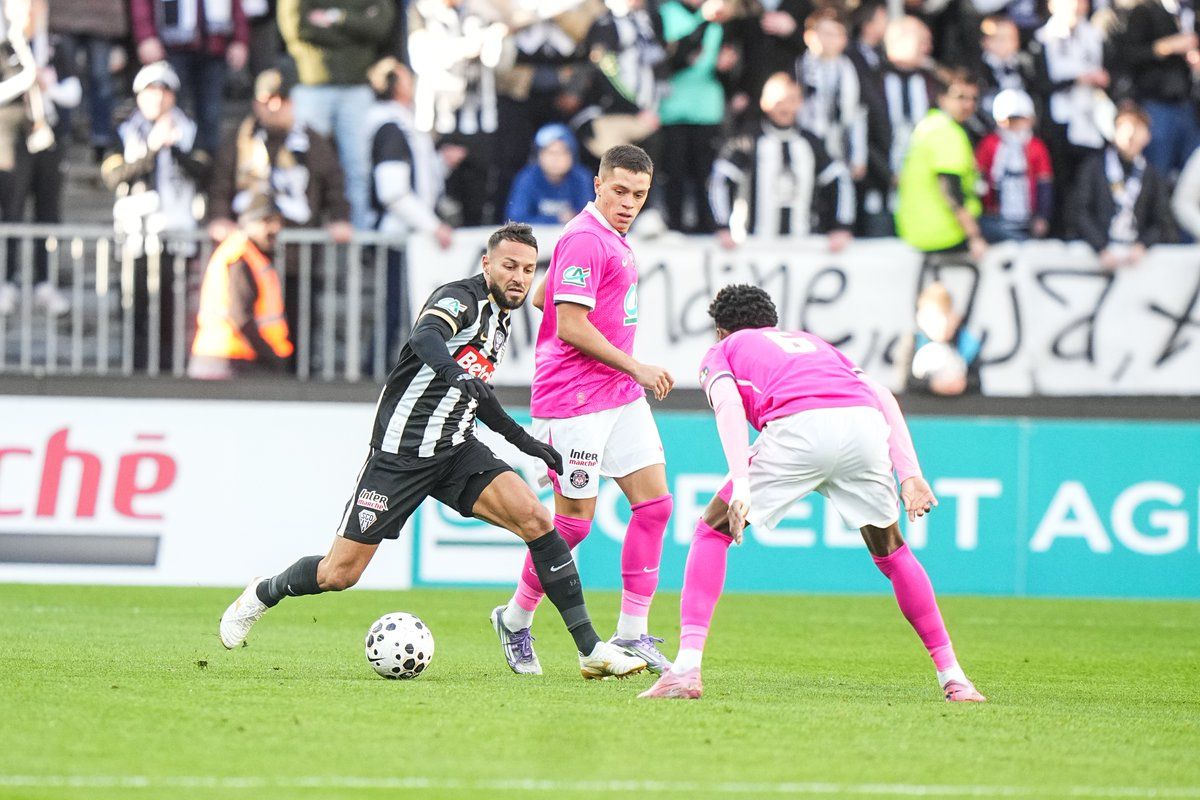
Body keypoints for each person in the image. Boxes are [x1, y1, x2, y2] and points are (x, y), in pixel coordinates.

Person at [220, 222, 648, 681]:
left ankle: (589, 650)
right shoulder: (460, 298)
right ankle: (263, 593)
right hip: (399, 455)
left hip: (456, 448)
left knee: (539, 522)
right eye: (509, 266)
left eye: (527, 269)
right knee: (338, 574)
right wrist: (451, 372)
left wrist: (526, 442)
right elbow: (424, 337)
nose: (519, 278)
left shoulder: (503, 319)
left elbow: (478, 394)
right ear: (487, 264)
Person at [639, 284, 985, 703]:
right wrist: (910, 474)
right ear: (773, 324)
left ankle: (686, 669)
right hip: (863, 427)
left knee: (711, 532)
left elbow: (729, 407)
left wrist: (741, 484)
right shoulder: (813, 343)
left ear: (720, 330)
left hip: (799, 428)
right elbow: (882, 395)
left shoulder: (724, 350)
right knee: (893, 553)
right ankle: (954, 677)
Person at [490, 145, 676, 676]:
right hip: (574, 399)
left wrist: (625, 373)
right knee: (572, 524)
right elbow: (569, 323)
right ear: (597, 184)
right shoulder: (585, 238)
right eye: (619, 190)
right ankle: (515, 618)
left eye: (638, 195)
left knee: (655, 506)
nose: (628, 203)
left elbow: (545, 297)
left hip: (616, 395)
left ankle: (633, 634)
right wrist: (637, 367)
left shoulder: (607, 239)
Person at [101, 61, 210, 373]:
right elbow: (114, 175)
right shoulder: (122, 131)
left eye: (164, 92)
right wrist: (151, 150)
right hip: (135, 234)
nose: (158, 99)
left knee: (171, 308)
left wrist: (174, 149)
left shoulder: (189, 130)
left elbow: (204, 170)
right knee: (134, 304)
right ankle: (137, 366)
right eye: (150, 92)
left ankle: (169, 365)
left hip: (176, 234)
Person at [277, 0, 396, 229]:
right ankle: (306, 243)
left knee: (357, 170)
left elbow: (380, 26)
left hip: (356, 86)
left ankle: (355, 248)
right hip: (311, 84)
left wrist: (334, 18)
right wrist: (355, 31)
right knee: (304, 166)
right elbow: (295, 28)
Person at [207, 66, 352, 244]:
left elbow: (334, 185)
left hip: (298, 252)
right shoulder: (237, 141)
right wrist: (219, 217)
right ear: (256, 104)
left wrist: (340, 219)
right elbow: (220, 185)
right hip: (248, 251)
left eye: (282, 99)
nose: (274, 107)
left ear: (292, 103)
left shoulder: (313, 143)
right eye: (267, 100)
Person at [709, 72, 852, 249]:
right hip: (755, 245)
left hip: (804, 245)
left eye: (791, 99)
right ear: (764, 102)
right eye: (778, 100)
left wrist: (841, 226)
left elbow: (839, 179)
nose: (784, 107)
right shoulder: (747, 141)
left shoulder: (811, 143)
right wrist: (722, 226)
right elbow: (721, 179)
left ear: (800, 103)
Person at [189, 194, 293, 378]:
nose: (275, 229)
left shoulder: (247, 255)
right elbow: (241, 317)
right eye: (267, 222)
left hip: (227, 359)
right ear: (249, 224)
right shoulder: (241, 258)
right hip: (229, 362)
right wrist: (270, 356)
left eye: (278, 222)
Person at [130, 0, 249, 155]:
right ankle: (170, 166)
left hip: (214, 47)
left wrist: (240, 39)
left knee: (211, 117)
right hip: (172, 46)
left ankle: (207, 168)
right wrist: (146, 35)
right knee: (172, 115)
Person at [894, 69, 987, 263]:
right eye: (960, 97)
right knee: (1017, 240)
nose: (968, 104)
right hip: (944, 232)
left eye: (973, 98)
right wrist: (974, 237)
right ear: (942, 98)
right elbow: (950, 190)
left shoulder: (929, 125)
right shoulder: (945, 132)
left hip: (918, 230)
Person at [1073, 102, 1174, 269]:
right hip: (1099, 258)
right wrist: (1100, 247)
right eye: (1124, 127)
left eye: (1137, 128)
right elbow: (1080, 211)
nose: (1131, 135)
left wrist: (1143, 245)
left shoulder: (1151, 174)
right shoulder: (1094, 167)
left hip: (1136, 261)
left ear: (1147, 136)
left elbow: (1162, 220)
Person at [975, 88, 1053, 243]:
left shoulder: (1036, 146)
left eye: (1020, 119)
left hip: (1027, 216)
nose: (1014, 125)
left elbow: (1044, 182)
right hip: (996, 217)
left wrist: (1042, 216)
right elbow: (980, 176)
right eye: (1010, 119)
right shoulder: (989, 144)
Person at [505, 122, 594, 225]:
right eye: (550, 152)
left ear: (572, 155)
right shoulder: (527, 178)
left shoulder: (581, 178)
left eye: (562, 153)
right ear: (538, 155)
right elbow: (515, 218)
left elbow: (590, 218)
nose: (555, 159)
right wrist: (556, 219)